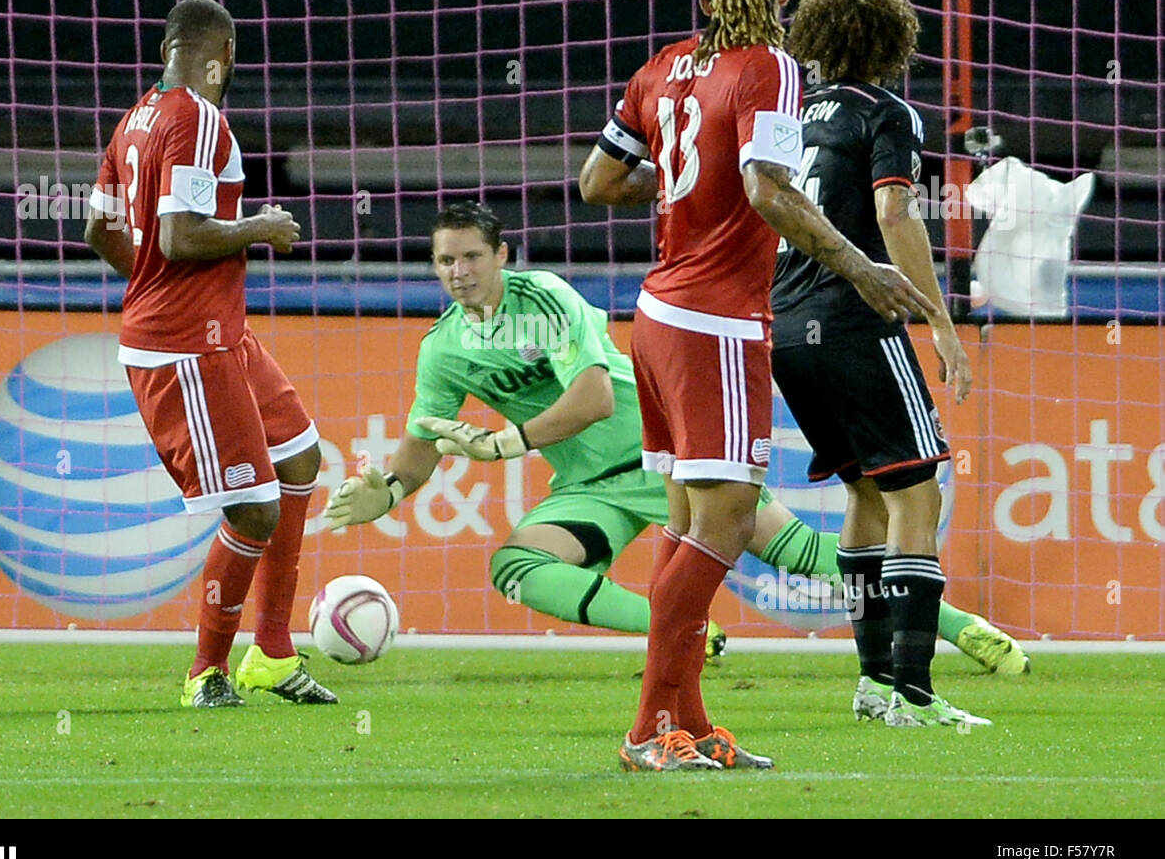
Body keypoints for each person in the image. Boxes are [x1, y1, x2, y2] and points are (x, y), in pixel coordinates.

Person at [324, 203, 1029, 678]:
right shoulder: (443, 347)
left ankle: (961, 626)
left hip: (669, 456)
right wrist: (386, 490)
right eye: (445, 262)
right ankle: (684, 627)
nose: (458, 272)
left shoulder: (546, 298)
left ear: (502, 255)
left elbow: (596, 397)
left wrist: (507, 444)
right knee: (517, 566)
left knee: (804, 556)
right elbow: (425, 439)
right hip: (590, 491)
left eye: (471, 257)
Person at [578, 0, 935, 771]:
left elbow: (598, 182)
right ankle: (644, 729)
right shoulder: (771, 65)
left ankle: (690, 724)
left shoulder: (660, 68)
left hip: (657, 311)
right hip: (719, 319)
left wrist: (681, 179)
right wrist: (860, 266)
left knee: (685, 522)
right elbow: (768, 193)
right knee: (729, 521)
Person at [84, 0, 335, 708]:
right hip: (185, 347)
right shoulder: (195, 116)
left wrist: (151, 283)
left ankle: (274, 654)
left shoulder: (135, 117)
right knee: (254, 509)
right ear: (219, 52)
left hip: (220, 332)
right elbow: (181, 237)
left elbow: (98, 229)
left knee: (299, 459)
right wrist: (262, 224)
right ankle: (206, 673)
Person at [778, 0, 995, 727]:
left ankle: (874, 687)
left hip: (783, 326)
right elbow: (894, 211)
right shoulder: (887, 112)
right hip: (853, 319)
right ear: (892, 42)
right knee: (917, 493)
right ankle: (913, 691)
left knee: (865, 495)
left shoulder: (788, 114)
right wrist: (938, 321)